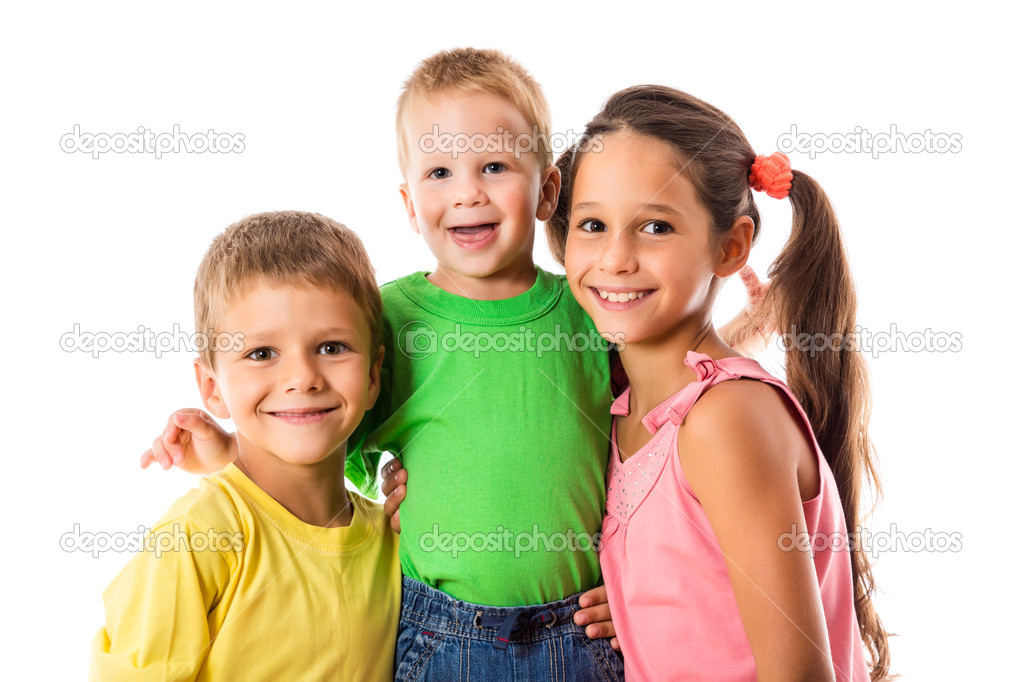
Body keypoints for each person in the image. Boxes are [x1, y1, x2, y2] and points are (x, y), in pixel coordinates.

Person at [141, 49, 624, 679]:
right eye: (440, 172)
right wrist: (231, 449)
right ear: (408, 202)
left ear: (547, 190)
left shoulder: (589, 312)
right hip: (438, 631)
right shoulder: (387, 320)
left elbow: (660, 433)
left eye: (495, 166)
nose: (467, 192)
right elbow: (310, 423)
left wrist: (638, 589)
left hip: (579, 631)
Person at [546, 85, 890, 680]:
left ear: (730, 247)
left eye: (655, 227)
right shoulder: (623, 402)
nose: (616, 258)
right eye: (593, 224)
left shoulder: (726, 422)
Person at [92, 211, 400, 680]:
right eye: (261, 354)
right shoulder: (197, 538)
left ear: (374, 374)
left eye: (332, 347)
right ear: (212, 387)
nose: (302, 378)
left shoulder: (393, 541)